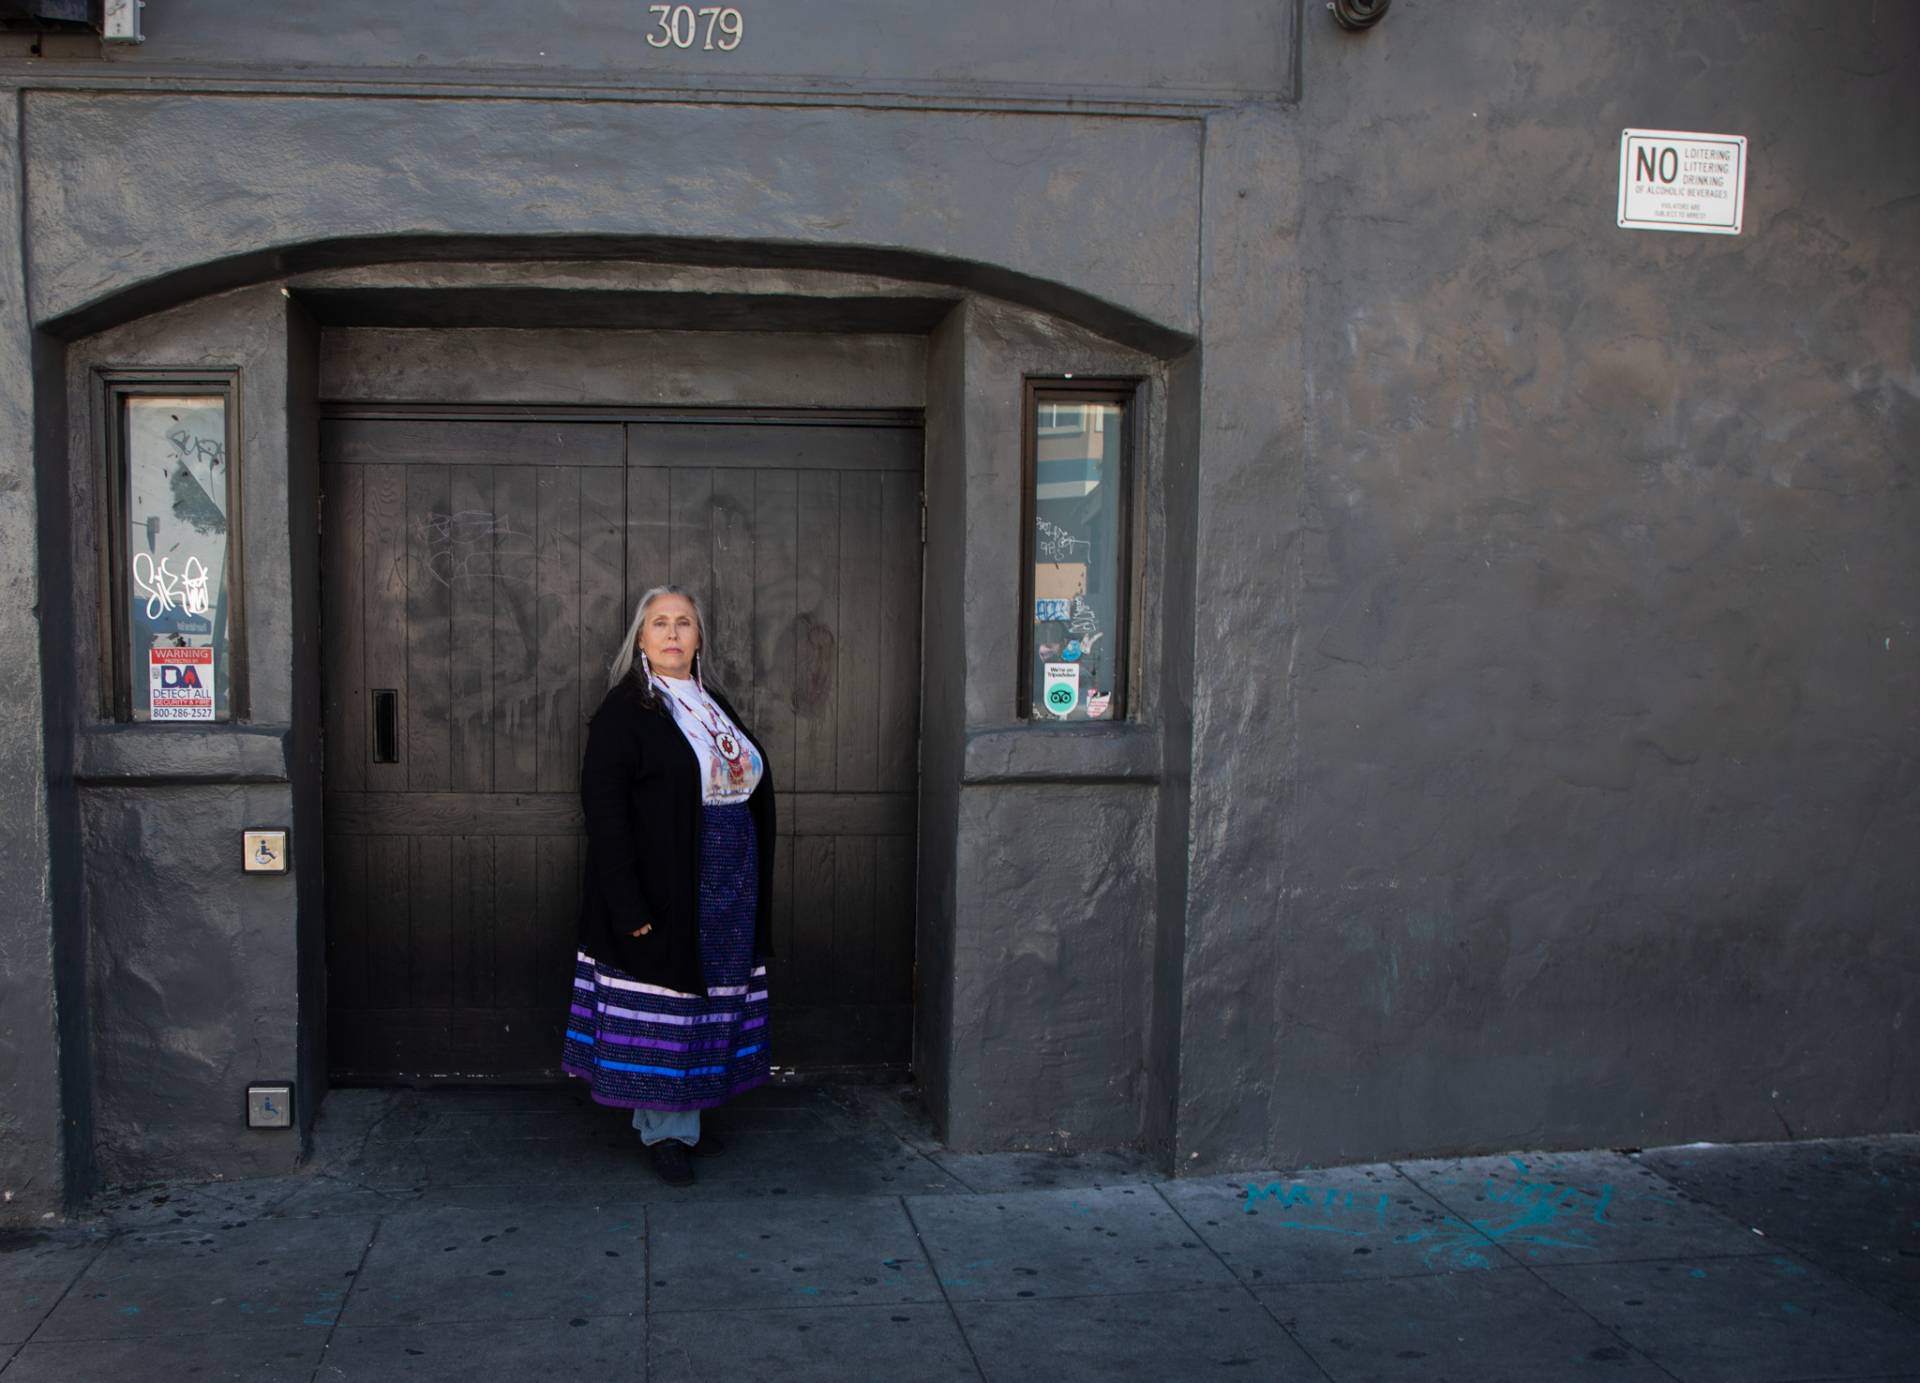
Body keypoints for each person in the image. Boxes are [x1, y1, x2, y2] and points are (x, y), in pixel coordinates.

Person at [563, 584, 775, 1186]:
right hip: (668, 880)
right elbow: (605, 815)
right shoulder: (625, 712)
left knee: (712, 1000)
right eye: (660, 623)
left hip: (728, 877)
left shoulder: (714, 703)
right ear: (642, 638)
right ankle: (665, 1133)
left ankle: (689, 1121)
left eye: (684, 623)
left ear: (699, 637)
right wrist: (626, 901)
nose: (674, 633)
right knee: (666, 1001)